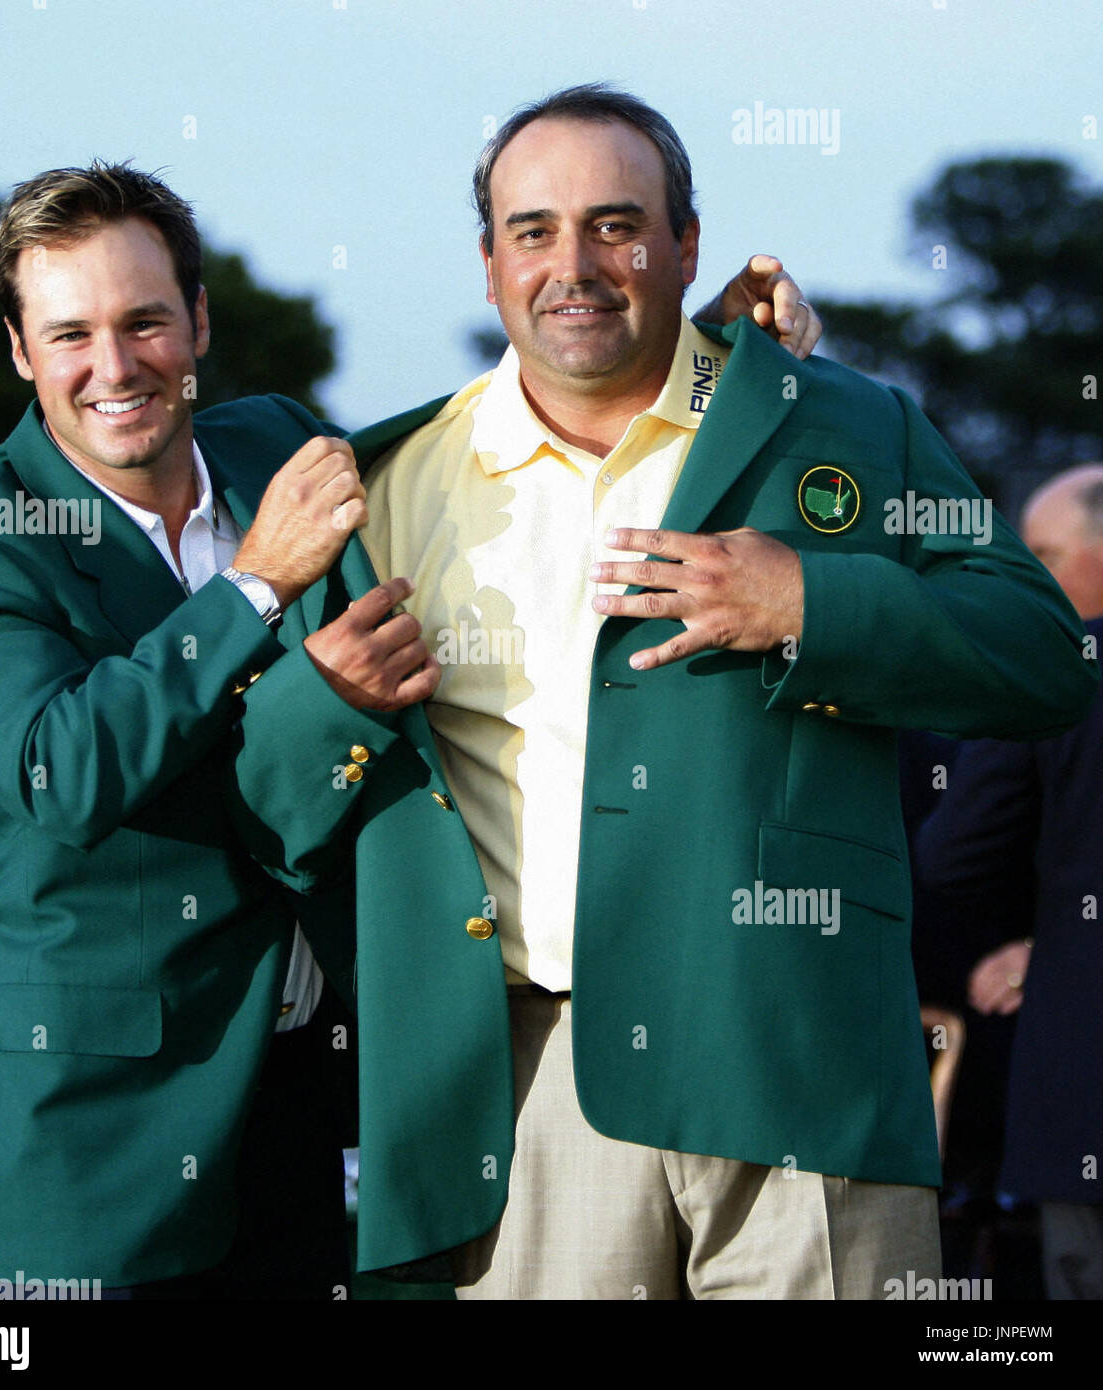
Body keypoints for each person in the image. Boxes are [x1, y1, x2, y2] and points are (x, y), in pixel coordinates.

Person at [0, 157, 813, 1298]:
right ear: (23, 352)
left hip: (310, 1109)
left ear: (200, 322)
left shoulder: (272, 441)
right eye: (70, 334)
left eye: (145, 322)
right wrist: (256, 588)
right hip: (98, 1141)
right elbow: (59, 773)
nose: (115, 367)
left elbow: (460, 457)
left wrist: (674, 353)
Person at [232, 84, 1097, 1300]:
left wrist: (811, 602)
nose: (573, 264)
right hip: (528, 1089)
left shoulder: (847, 423)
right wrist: (319, 694)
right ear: (488, 264)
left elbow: (1044, 658)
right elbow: (272, 795)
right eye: (532, 230)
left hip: (803, 1071)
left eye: (615, 223)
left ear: (687, 246)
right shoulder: (384, 484)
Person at [917, 462, 1103, 1300]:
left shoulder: (1052, 676)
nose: (1034, 575)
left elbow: (956, 853)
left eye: (1044, 551)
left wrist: (1049, 938)